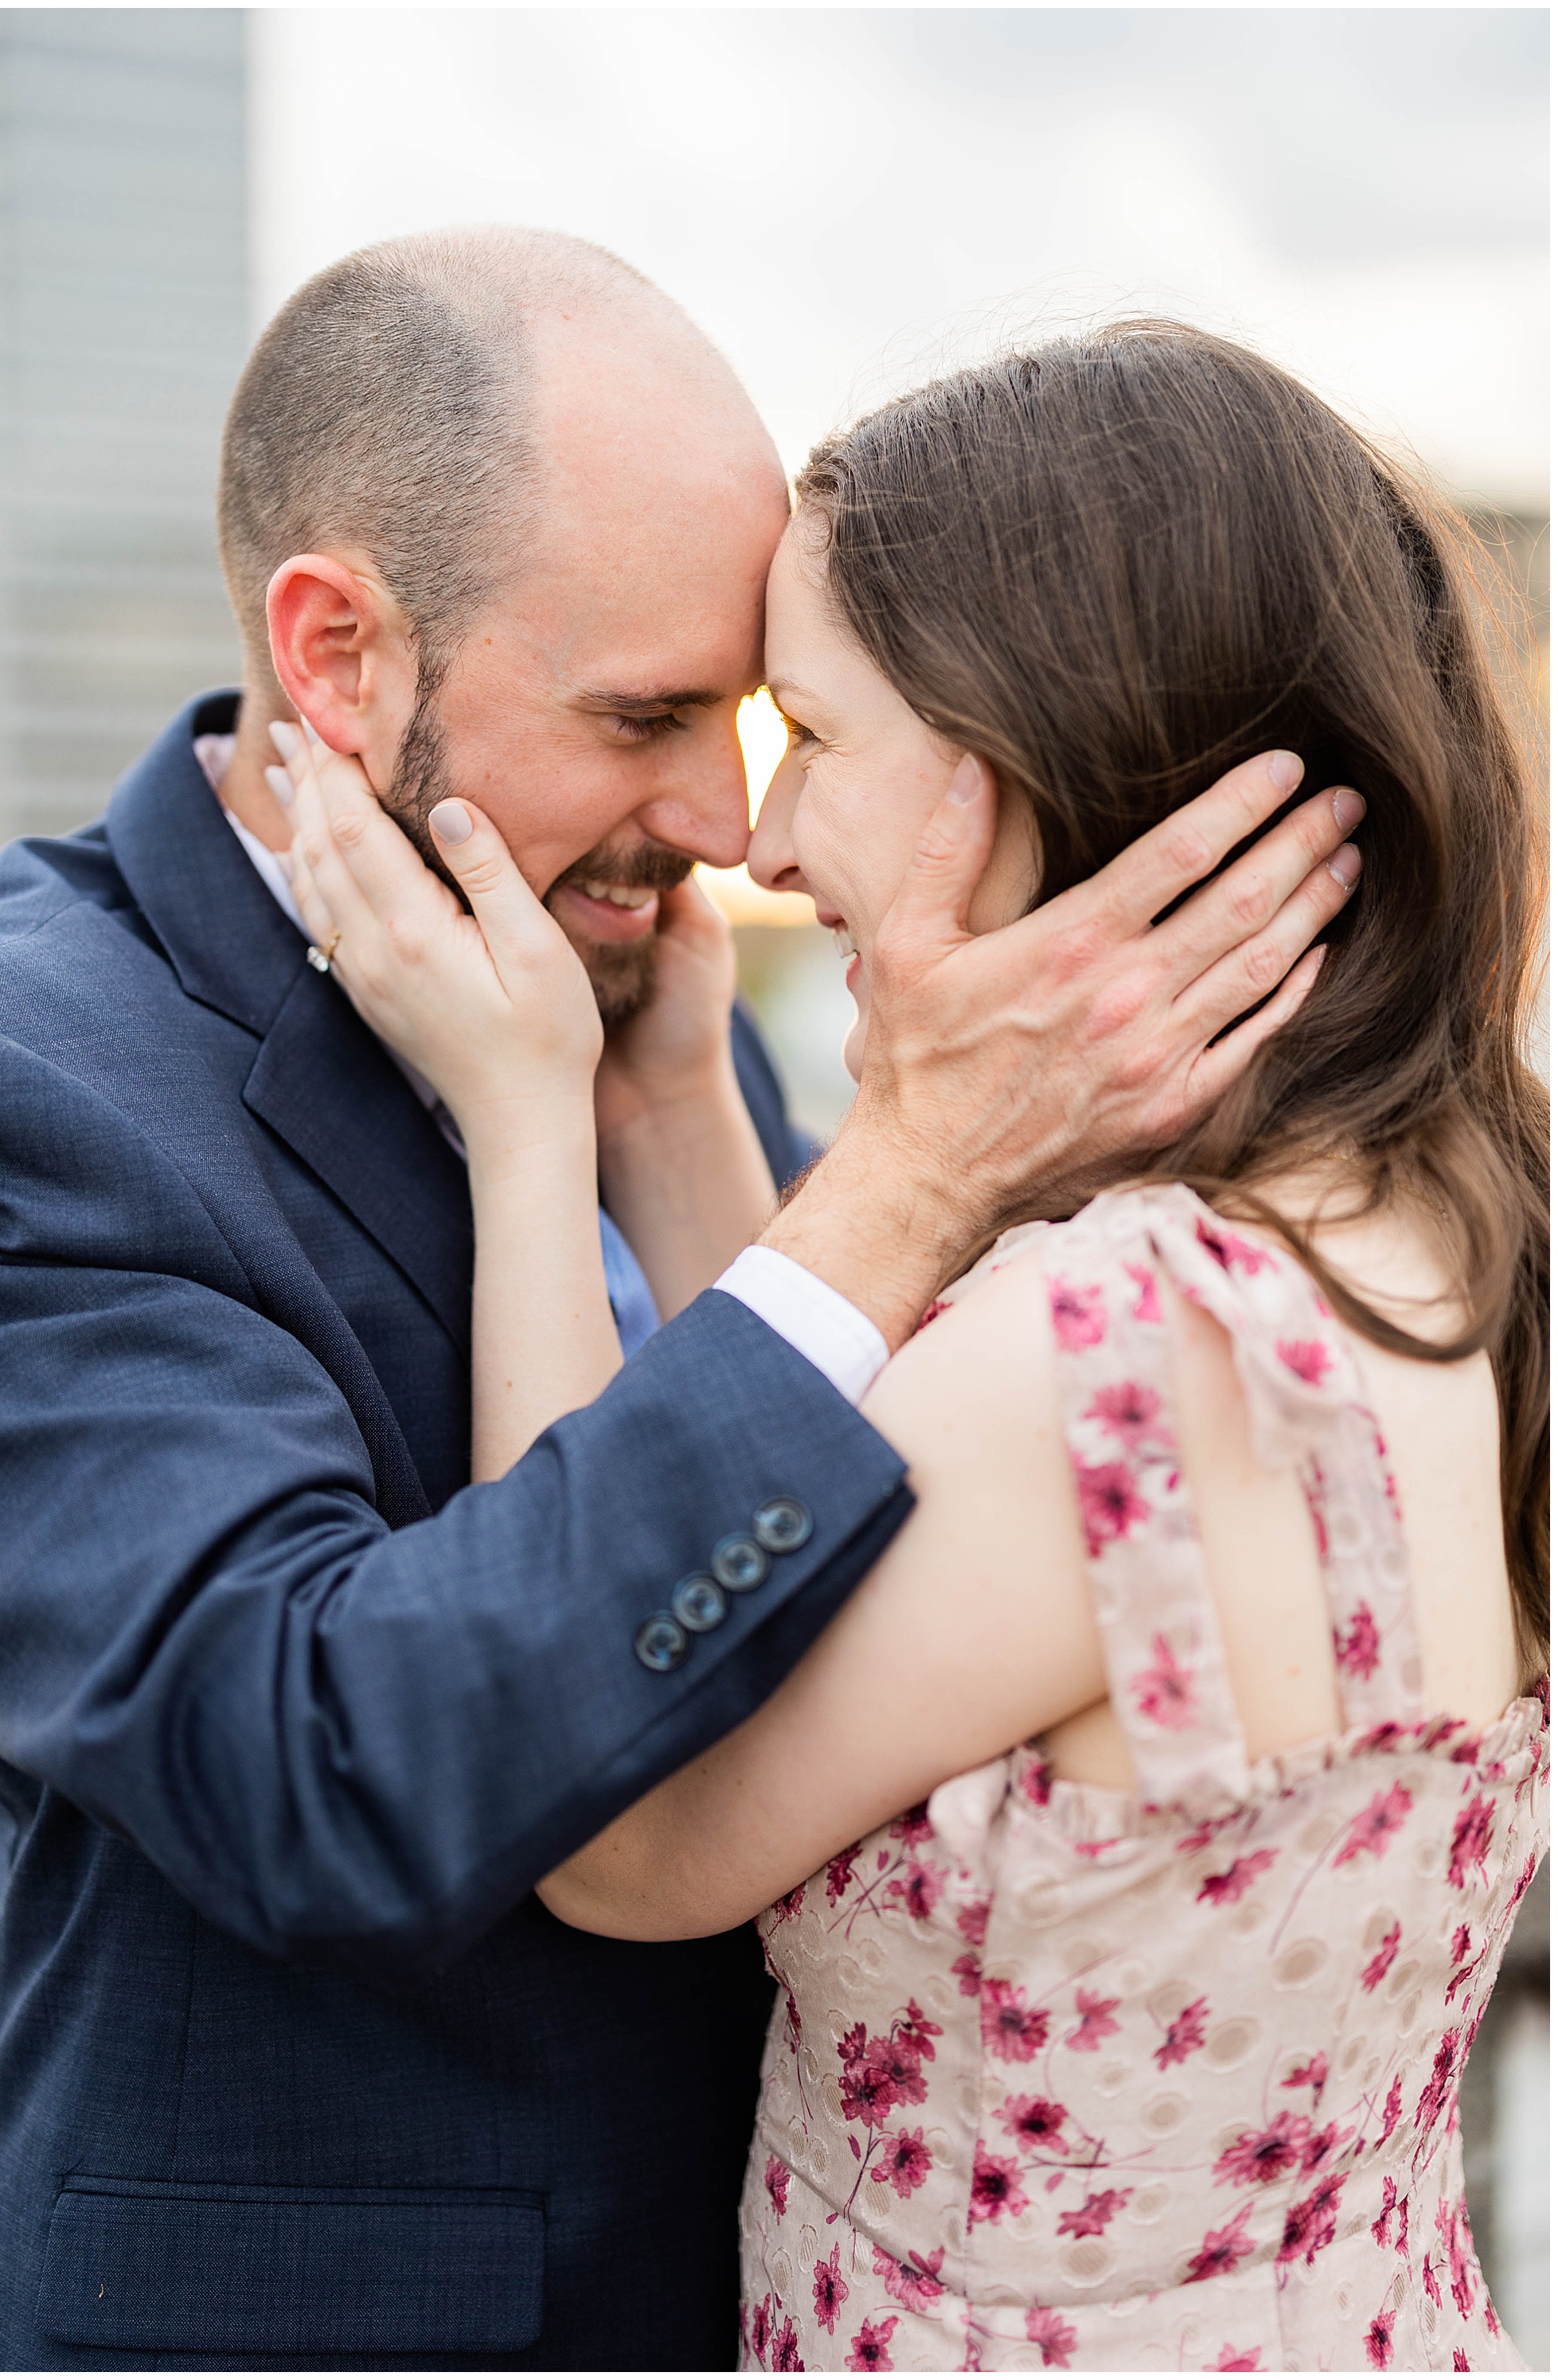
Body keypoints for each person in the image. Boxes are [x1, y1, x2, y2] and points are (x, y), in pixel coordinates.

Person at [0, 236, 1347, 2374]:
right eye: (646, 716)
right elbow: (312, 1761)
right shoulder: (30, 1076)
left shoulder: (651, 991)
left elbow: (831, 1576)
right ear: (335, 651)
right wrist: (902, 1187)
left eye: (760, 716)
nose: (722, 826)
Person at [278, 322, 1547, 2371]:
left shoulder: (1115, 1344)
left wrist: (529, 1130)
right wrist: (686, 1115)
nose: (759, 845)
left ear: (1036, 756)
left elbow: (605, 1809)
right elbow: (825, 1508)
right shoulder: (1428, 1229)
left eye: (815, 734)